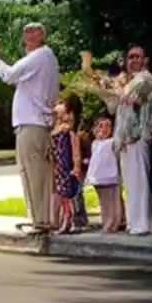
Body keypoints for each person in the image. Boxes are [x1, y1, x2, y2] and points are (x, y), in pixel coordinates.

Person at [0, 23, 61, 233]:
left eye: (34, 32)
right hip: (33, 123)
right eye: (26, 32)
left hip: (33, 123)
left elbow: (8, 75)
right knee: (30, 172)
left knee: (35, 172)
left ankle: (41, 220)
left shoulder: (40, 56)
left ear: (42, 36)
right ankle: (37, 217)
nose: (28, 36)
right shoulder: (43, 59)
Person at [85, 44, 152, 235]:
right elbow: (113, 107)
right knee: (130, 183)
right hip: (124, 139)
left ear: (145, 60)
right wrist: (102, 88)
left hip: (138, 136)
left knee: (140, 182)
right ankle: (135, 223)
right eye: (131, 57)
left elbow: (131, 95)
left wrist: (113, 85)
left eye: (137, 56)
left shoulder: (146, 78)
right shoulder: (127, 82)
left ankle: (144, 223)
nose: (133, 60)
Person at [51, 95, 84, 232]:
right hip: (60, 164)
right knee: (62, 194)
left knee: (70, 193)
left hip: (67, 164)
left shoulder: (70, 131)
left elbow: (75, 149)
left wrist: (76, 166)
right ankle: (66, 218)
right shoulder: (59, 127)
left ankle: (73, 220)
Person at [87, 112, 121, 232]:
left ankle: (113, 219)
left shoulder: (111, 142)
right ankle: (106, 219)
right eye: (101, 126)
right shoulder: (95, 144)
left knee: (111, 198)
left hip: (110, 175)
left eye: (108, 126)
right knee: (102, 199)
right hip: (98, 176)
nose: (104, 129)